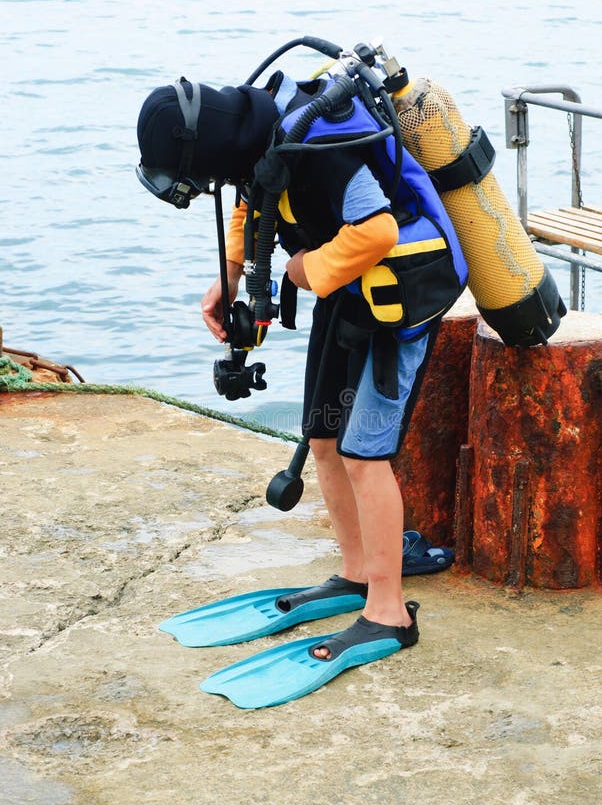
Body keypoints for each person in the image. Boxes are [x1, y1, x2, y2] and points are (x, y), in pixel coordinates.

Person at [136, 56, 463, 668]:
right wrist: (229, 275)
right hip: (347, 289)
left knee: (367, 455)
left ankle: (389, 612)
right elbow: (250, 198)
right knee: (322, 440)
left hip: (401, 293)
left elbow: (377, 230)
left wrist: (300, 270)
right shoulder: (250, 132)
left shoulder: (318, 145)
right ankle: (358, 573)